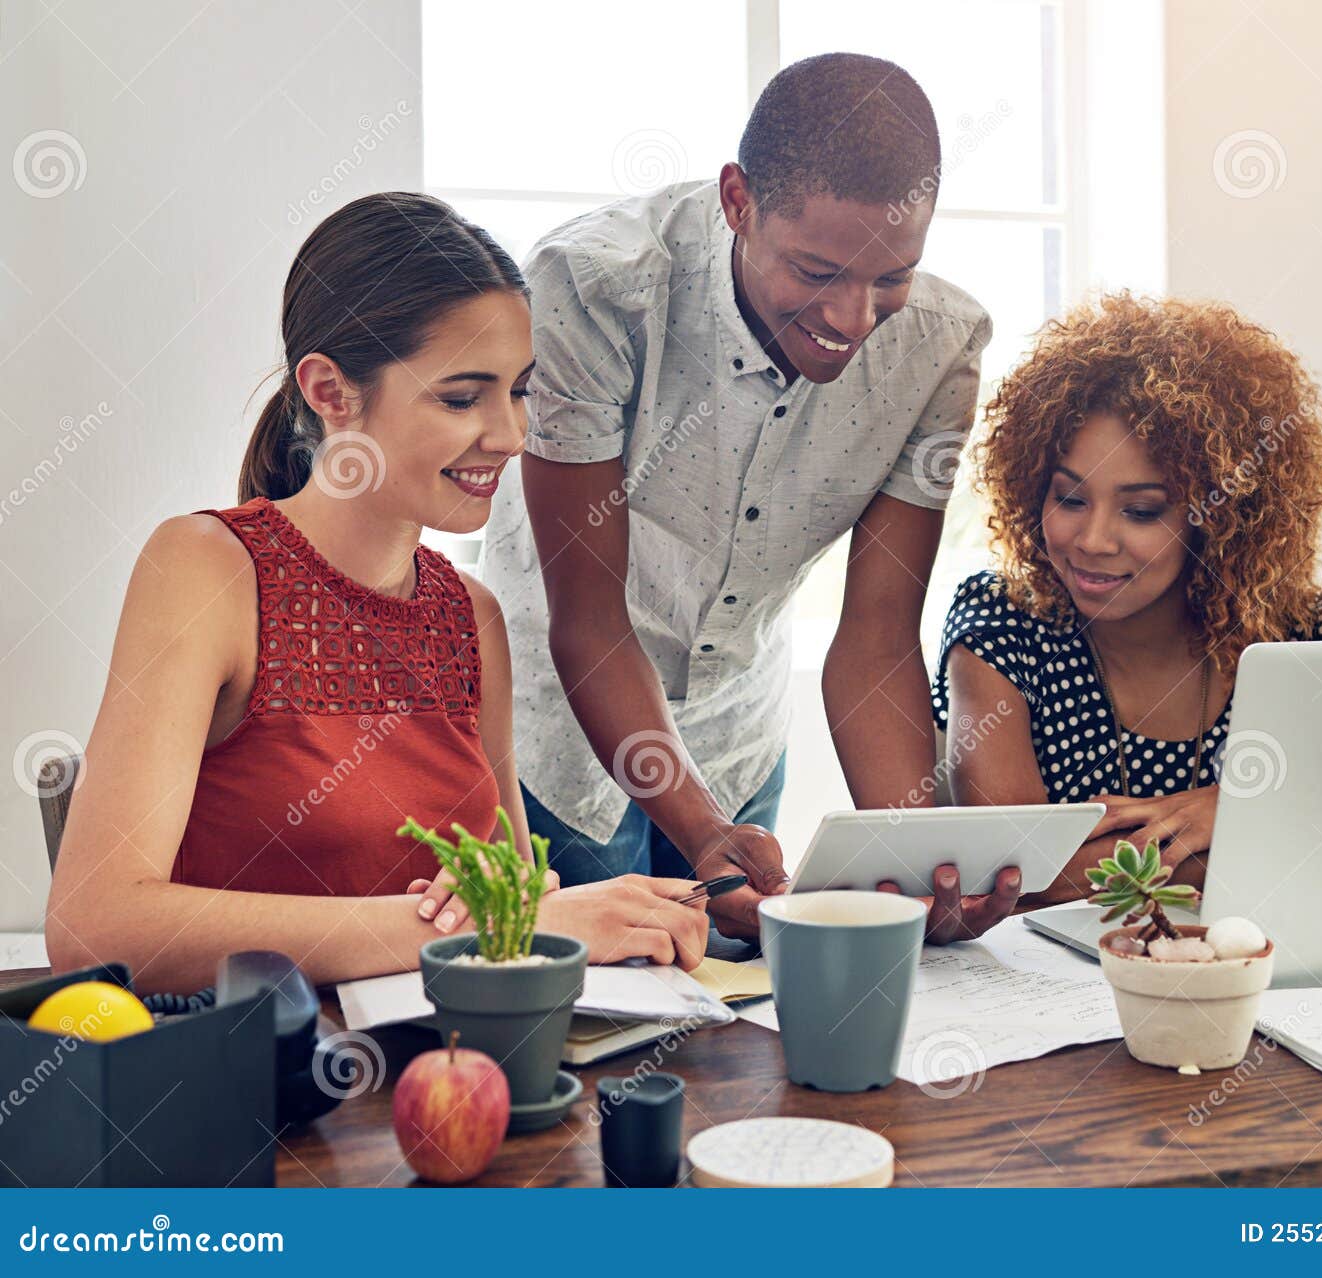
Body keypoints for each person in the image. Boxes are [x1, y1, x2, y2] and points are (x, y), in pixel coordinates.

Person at [46, 193, 708, 994]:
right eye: (462, 397)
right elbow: (95, 928)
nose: (509, 434)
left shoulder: (473, 616)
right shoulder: (204, 569)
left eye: (521, 390)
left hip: (446, 1073)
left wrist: (534, 916)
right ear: (330, 392)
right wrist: (474, 930)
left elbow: (510, 902)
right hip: (262, 1092)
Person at [482, 53, 1019, 943]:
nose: (854, 318)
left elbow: (879, 638)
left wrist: (926, 868)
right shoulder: (594, 288)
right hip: (553, 744)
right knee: (595, 1044)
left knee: (738, 1047)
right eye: (816, 272)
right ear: (738, 201)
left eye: (891, 276)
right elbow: (589, 615)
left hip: (737, 743)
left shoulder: (940, 349)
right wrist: (696, 834)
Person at [933, 293, 1322, 908]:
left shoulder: (1315, 636)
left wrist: (1237, 818)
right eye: (1069, 499)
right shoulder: (1003, 621)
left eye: (1142, 511)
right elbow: (1011, 877)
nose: (1092, 541)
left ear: (1221, 518)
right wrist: (1264, 821)